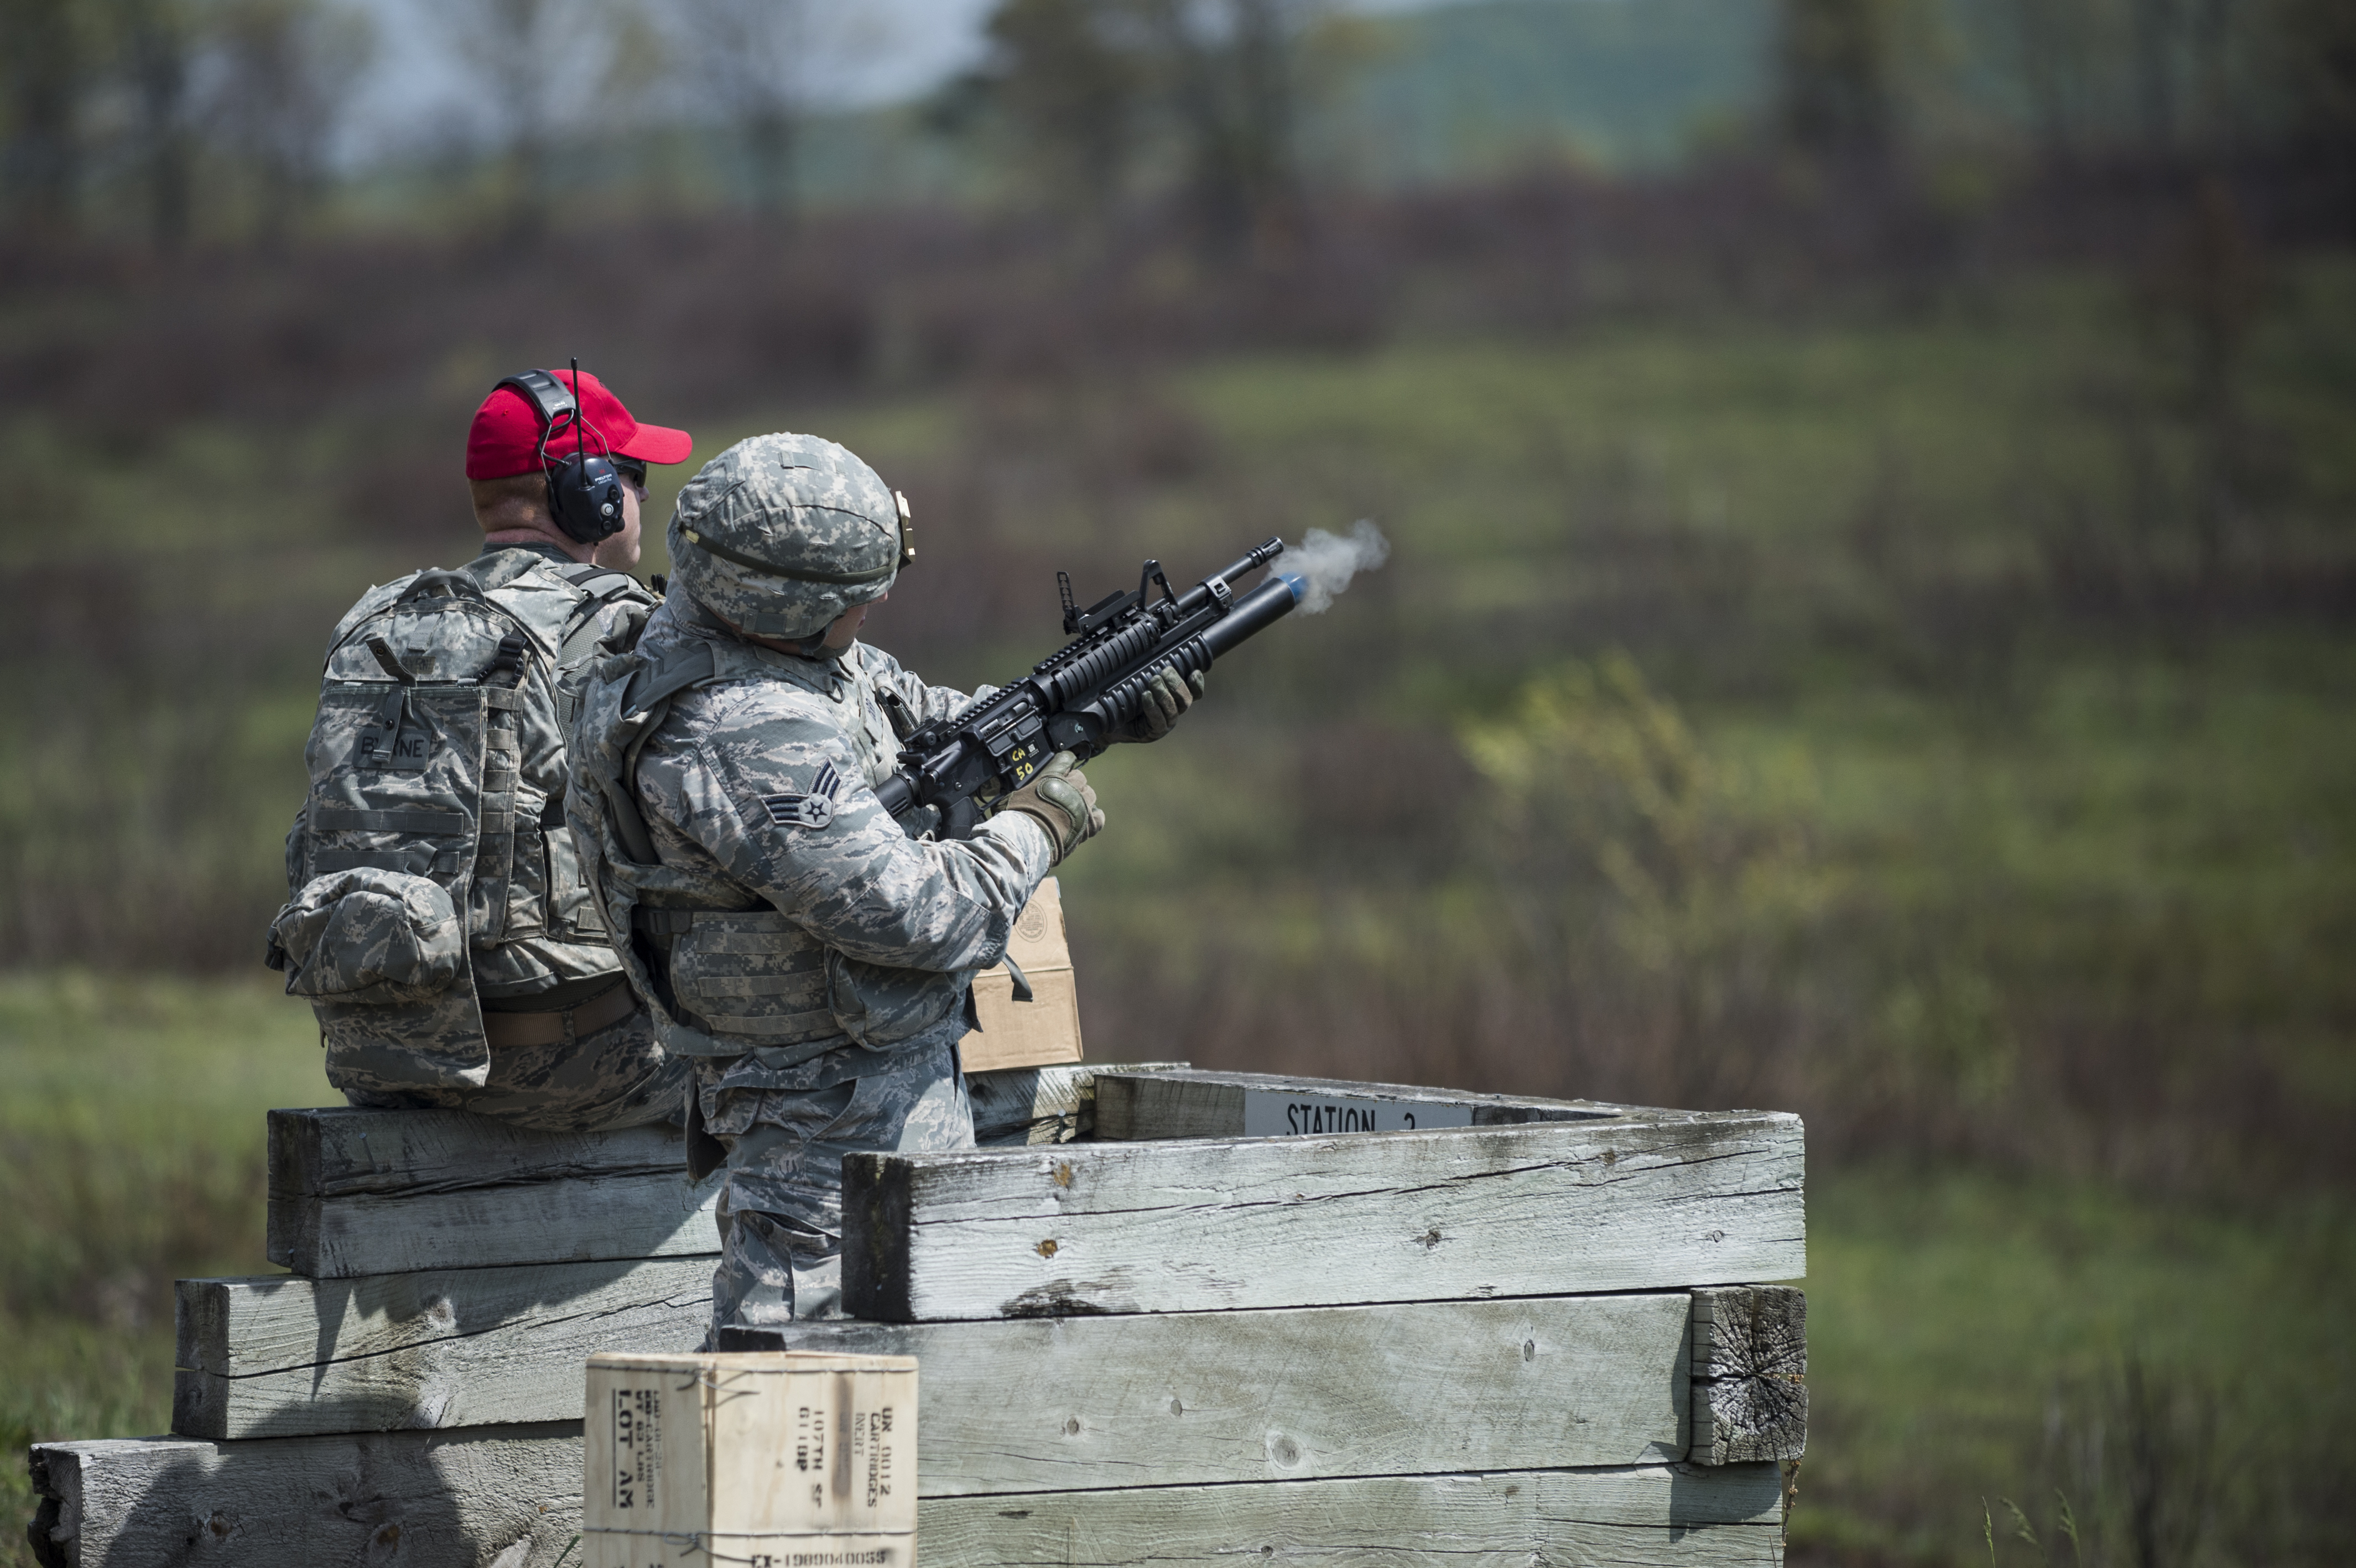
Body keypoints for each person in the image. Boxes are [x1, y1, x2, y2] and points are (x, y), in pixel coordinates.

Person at [566, 431, 1202, 1333]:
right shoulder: (740, 730)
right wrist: (1043, 820)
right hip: (821, 1152)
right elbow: (925, 917)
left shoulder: (766, 652)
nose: (876, 609)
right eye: (856, 599)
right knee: (795, 1422)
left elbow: (927, 723)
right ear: (785, 602)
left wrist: (1080, 718)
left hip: (875, 1111)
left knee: (911, 1418)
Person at [272, 367, 698, 1132]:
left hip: (387, 1060)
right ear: (589, 492)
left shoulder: (373, 624)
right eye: (632, 476)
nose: (640, 497)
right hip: (570, 1072)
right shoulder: (626, 632)